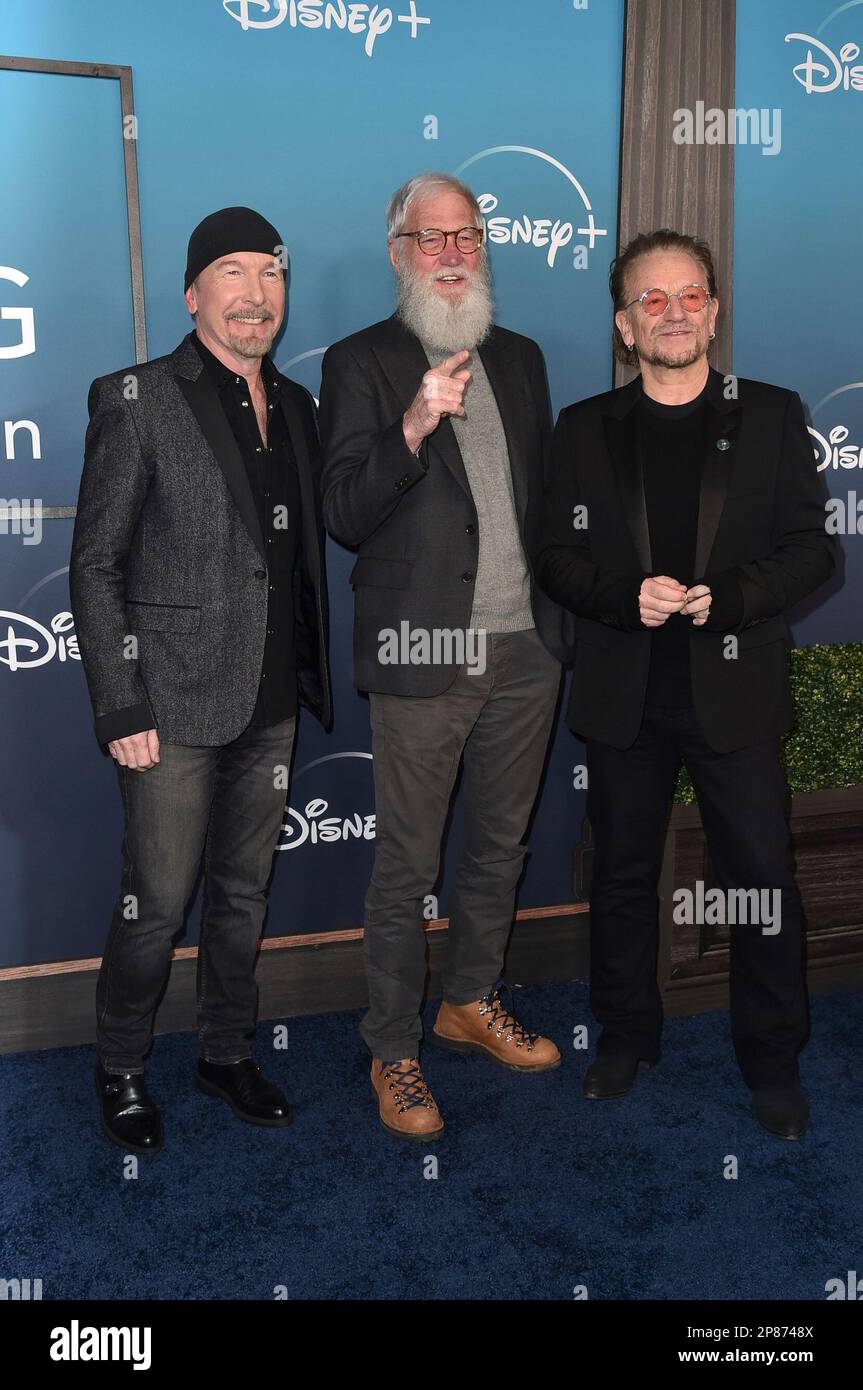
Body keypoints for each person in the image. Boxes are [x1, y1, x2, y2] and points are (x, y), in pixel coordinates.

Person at [533, 229, 837, 1140]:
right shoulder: (585, 427)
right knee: (623, 876)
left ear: (713, 308)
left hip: (734, 690)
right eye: (651, 301)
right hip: (625, 693)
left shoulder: (773, 414)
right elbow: (554, 558)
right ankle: (626, 1036)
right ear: (625, 325)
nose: (674, 312)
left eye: (689, 295)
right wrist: (625, 597)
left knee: (758, 880)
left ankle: (771, 1060)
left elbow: (811, 550)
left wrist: (732, 599)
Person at [70, 207, 331, 1154]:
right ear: (193, 295)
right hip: (168, 707)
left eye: (270, 271)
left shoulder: (296, 406)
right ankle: (122, 1067)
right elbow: (95, 564)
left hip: (268, 703)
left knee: (243, 895)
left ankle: (224, 1052)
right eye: (231, 271)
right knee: (156, 901)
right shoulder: (134, 397)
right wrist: (121, 701)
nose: (255, 291)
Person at [319, 172, 572, 1141]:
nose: (452, 252)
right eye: (430, 238)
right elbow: (344, 511)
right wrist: (415, 421)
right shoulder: (359, 363)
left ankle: (468, 999)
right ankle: (392, 1045)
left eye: (466, 234)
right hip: (425, 653)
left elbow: (541, 506)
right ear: (398, 253)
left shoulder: (522, 357)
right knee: (406, 863)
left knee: (498, 848)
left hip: (527, 648)